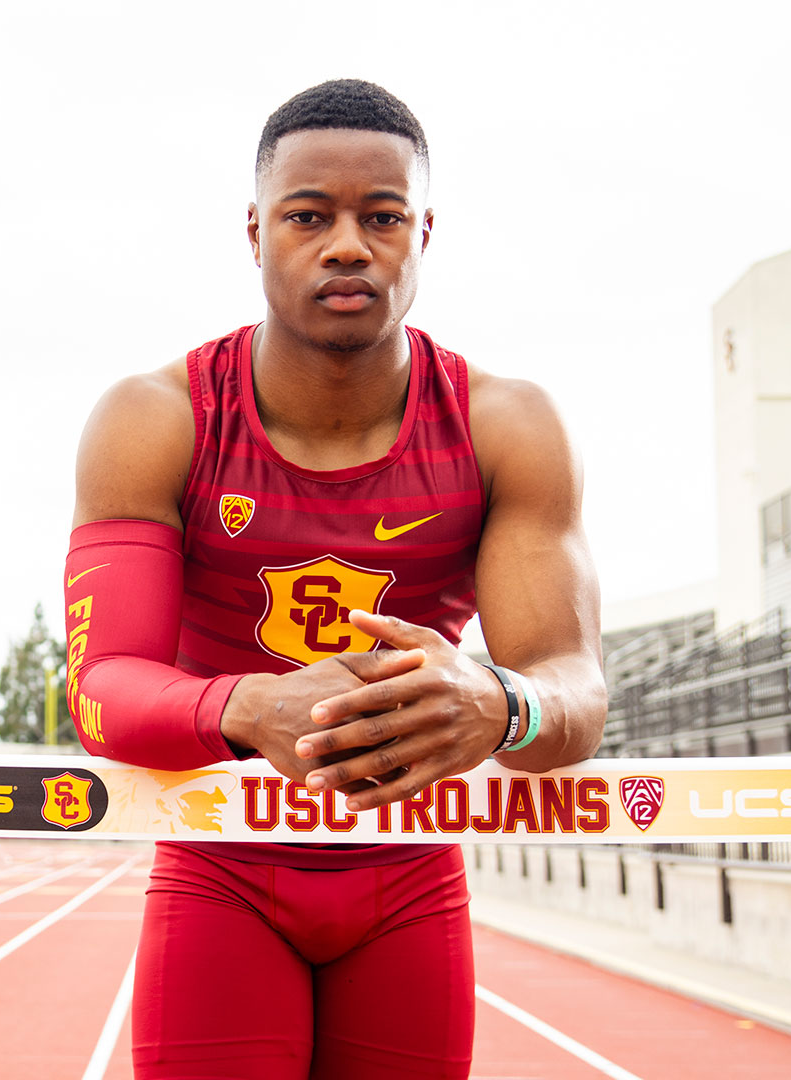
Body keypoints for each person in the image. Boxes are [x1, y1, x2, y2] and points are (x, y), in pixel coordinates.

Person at [63, 79, 605, 1078]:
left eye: (382, 217)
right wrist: (251, 706)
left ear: (423, 234)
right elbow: (102, 691)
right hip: (223, 865)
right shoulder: (157, 417)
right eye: (309, 216)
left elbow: (575, 693)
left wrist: (499, 703)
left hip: (409, 870)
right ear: (256, 231)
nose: (347, 246)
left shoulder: (507, 425)